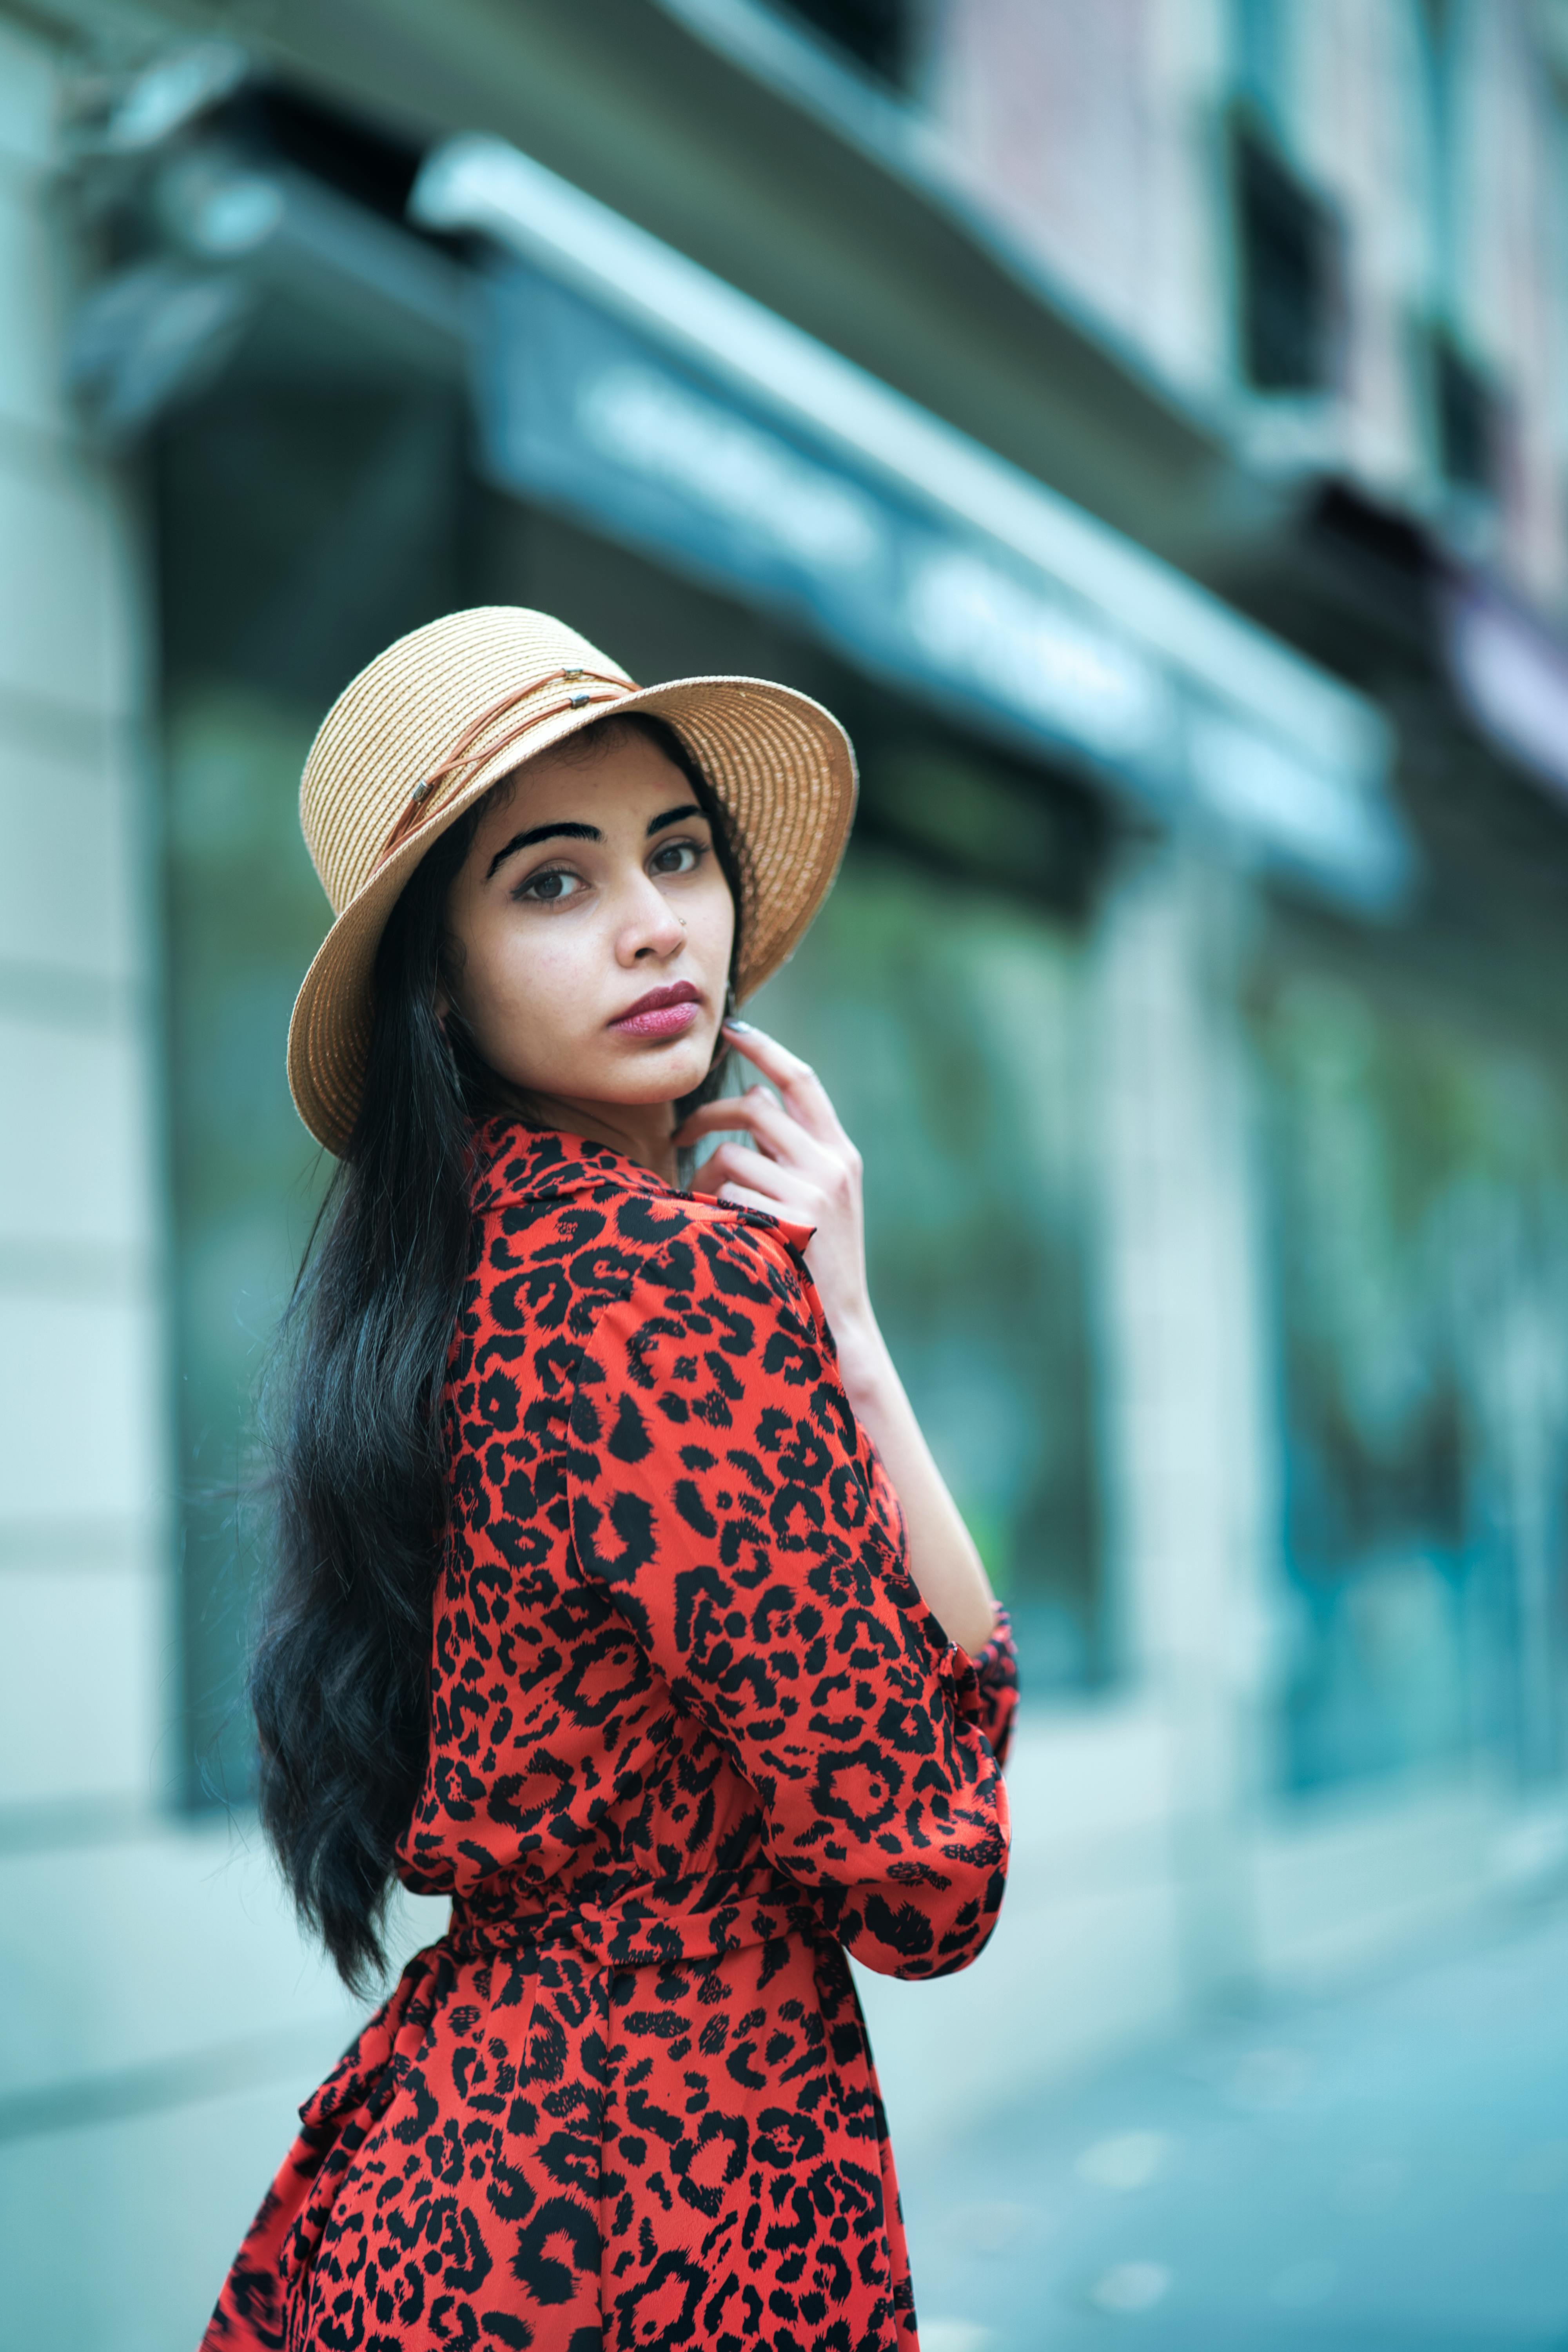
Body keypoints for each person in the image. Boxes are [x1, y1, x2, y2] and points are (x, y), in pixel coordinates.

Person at [201, 607, 1017, 2352]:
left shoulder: (463, 1276)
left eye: (679, 853)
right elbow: (930, 1884)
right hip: (656, 2214)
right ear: (440, 978)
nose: (655, 923)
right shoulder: (666, 1287)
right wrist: (843, 1340)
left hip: (464, 2187)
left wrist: (845, 1334)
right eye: (553, 882)